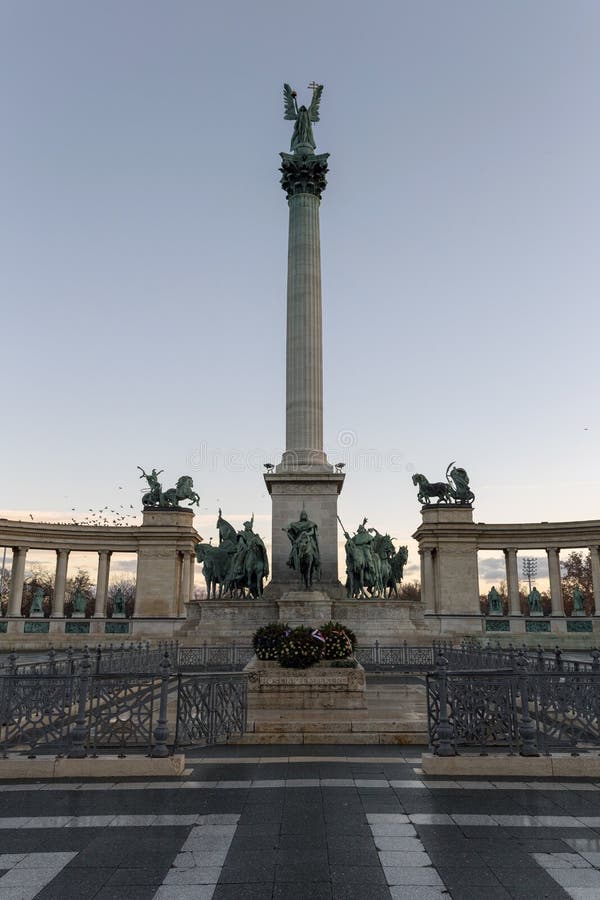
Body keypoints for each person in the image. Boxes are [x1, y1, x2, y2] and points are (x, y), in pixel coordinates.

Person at [284, 510, 320, 577]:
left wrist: (306, 533)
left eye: (304, 514)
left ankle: (316, 559)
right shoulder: (296, 524)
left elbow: (312, 532)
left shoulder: (310, 523)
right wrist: (286, 528)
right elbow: (290, 525)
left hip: (308, 538)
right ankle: (290, 560)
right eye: (302, 514)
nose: (303, 515)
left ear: (306, 516)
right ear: (300, 516)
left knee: (313, 546)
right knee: (294, 548)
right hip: (299, 539)